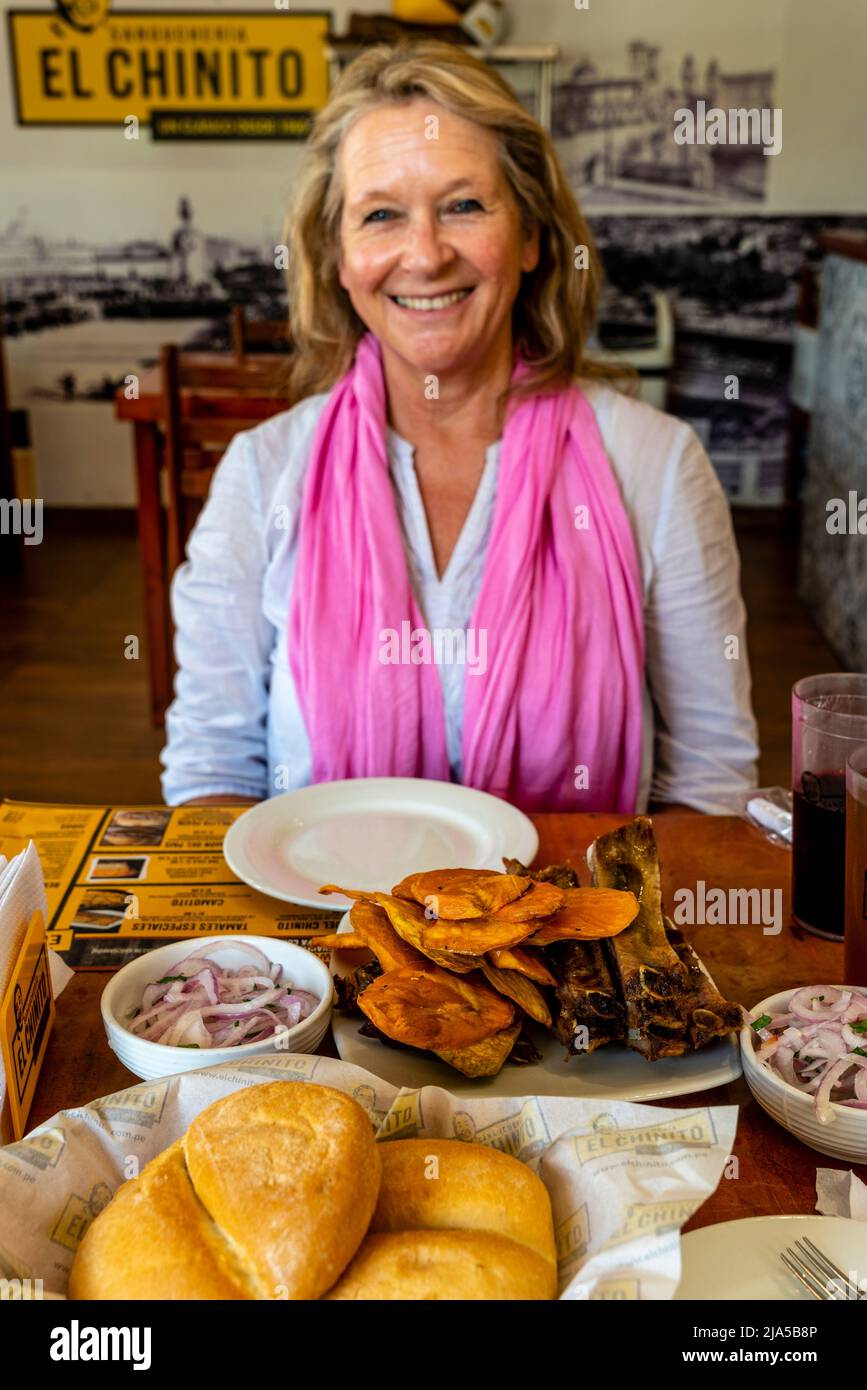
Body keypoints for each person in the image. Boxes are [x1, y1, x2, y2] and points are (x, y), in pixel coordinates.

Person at [161, 41, 758, 814]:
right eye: (380, 215)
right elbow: (212, 770)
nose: (425, 254)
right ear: (337, 258)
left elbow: (710, 784)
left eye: (464, 206)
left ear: (533, 238)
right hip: (320, 931)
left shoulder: (656, 465)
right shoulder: (260, 473)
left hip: (574, 931)